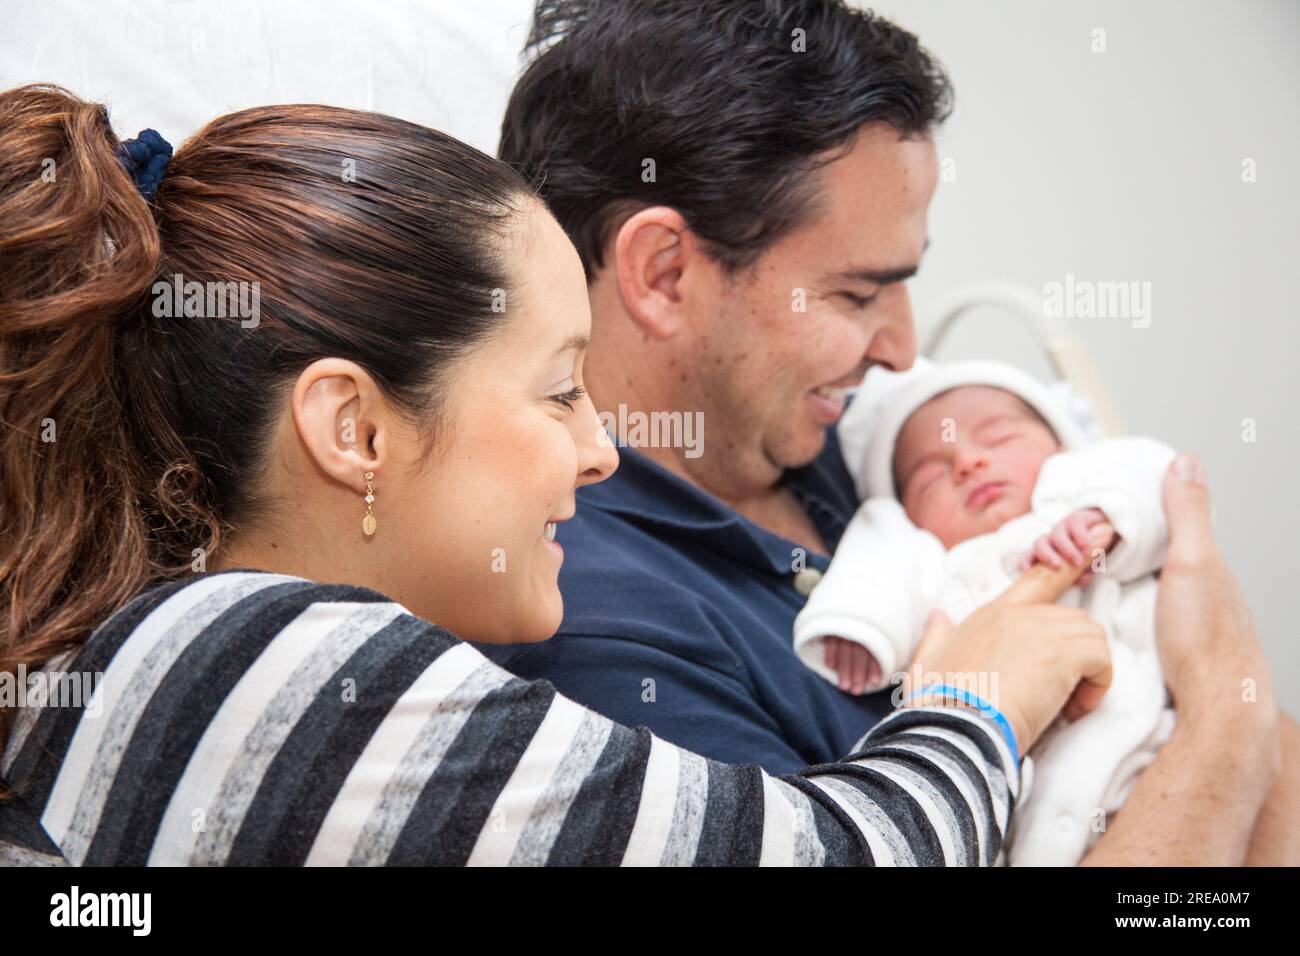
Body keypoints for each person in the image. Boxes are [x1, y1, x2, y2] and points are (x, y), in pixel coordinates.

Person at [0, 84, 1112, 866]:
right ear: (354, 428)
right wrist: (977, 699)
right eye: (556, 388)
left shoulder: (154, 658)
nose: (597, 448)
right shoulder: (243, 663)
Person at [493, 0, 1293, 864]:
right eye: (858, 293)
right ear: (665, 272)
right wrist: (1226, 710)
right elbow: (1239, 729)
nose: (906, 352)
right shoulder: (588, 627)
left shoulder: (865, 444)